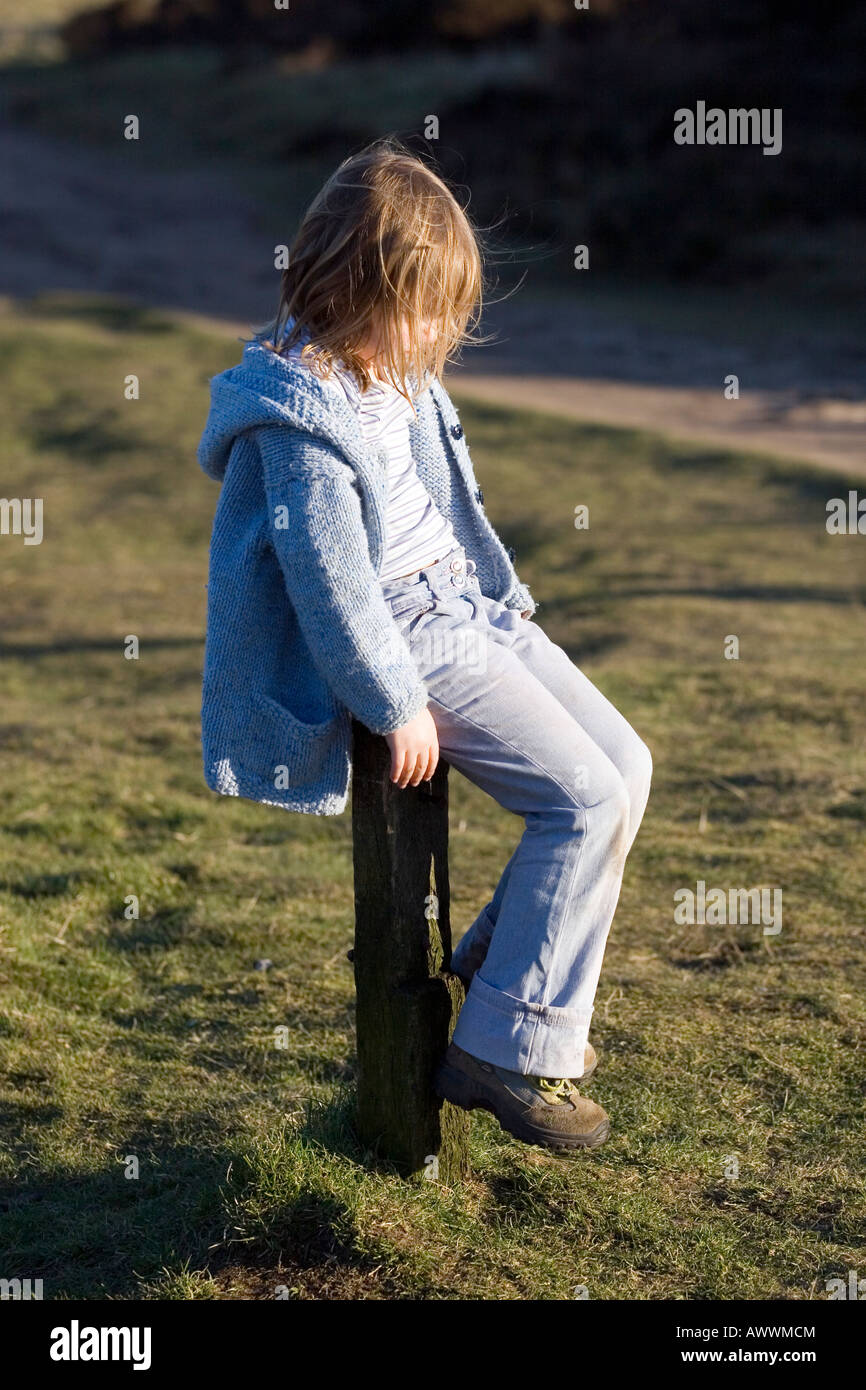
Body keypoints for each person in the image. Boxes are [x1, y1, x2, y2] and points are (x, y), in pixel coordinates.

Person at [197, 139, 652, 1151]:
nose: (447, 332)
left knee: (626, 763)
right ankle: (506, 1046)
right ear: (350, 285)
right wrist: (391, 700)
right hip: (408, 633)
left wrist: (496, 599)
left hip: (465, 605)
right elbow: (332, 581)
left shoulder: (385, 364)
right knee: (577, 800)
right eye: (429, 307)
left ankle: (502, 978)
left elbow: (437, 504)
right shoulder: (299, 411)